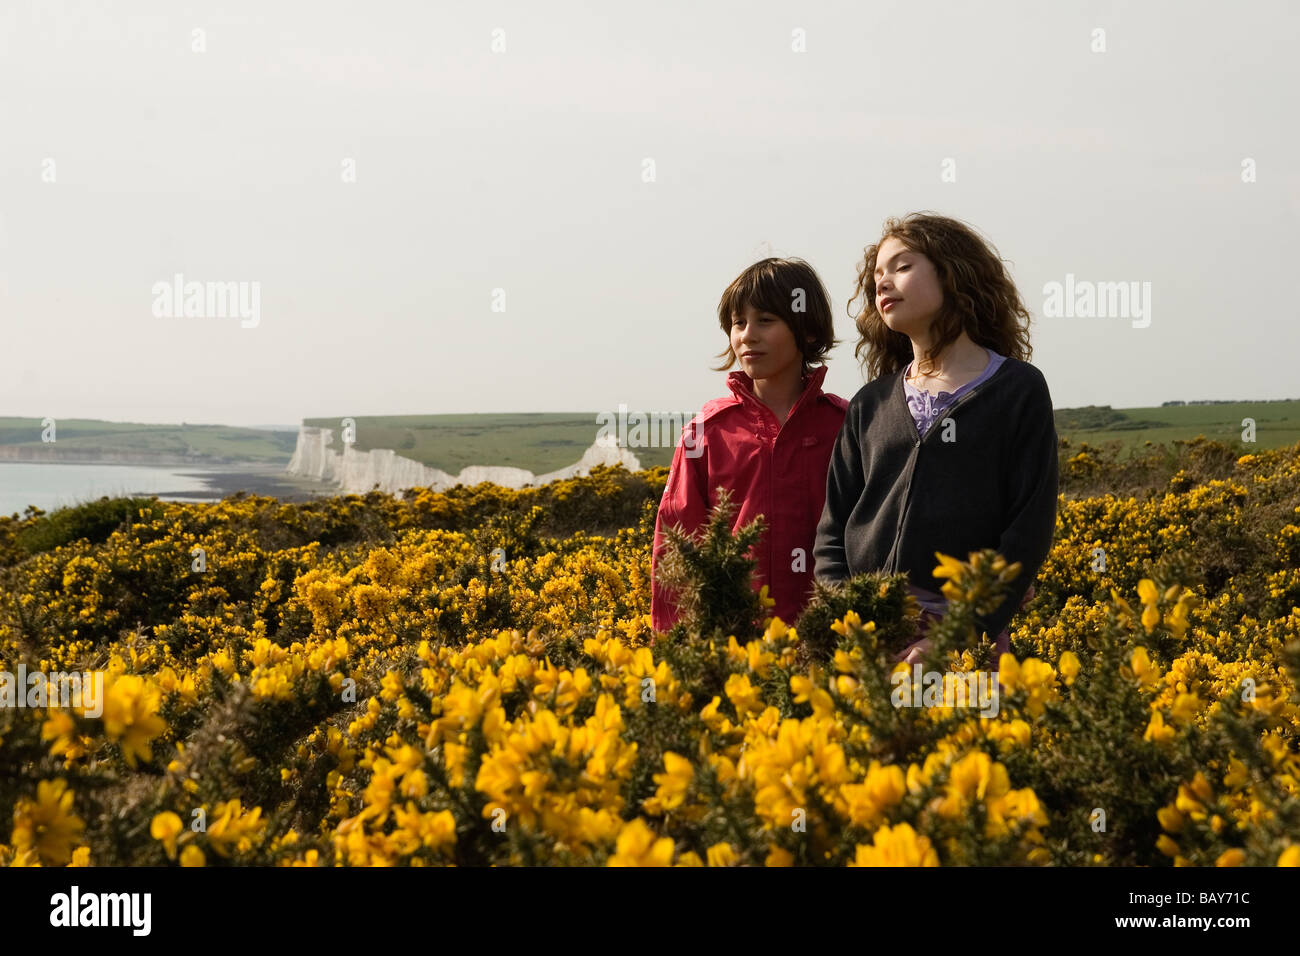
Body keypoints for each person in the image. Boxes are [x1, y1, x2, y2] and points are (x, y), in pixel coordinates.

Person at [814, 213, 1059, 668]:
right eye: (876, 276)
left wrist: (956, 636)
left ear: (954, 272)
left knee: (964, 740)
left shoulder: (1018, 389)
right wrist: (849, 616)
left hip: (964, 639)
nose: (882, 283)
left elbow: (1027, 531)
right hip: (864, 637)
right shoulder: (870, 402)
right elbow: (832, 531)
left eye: (901, 266)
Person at [651, 257, 849, 633]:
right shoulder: (706, 432)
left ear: (807, 331)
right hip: (733, 647)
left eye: (765, 320)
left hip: (830, 642)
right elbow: (675, 546)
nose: (747, 335)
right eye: (738, 322)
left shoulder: (846, 426)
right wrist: (676, 649)